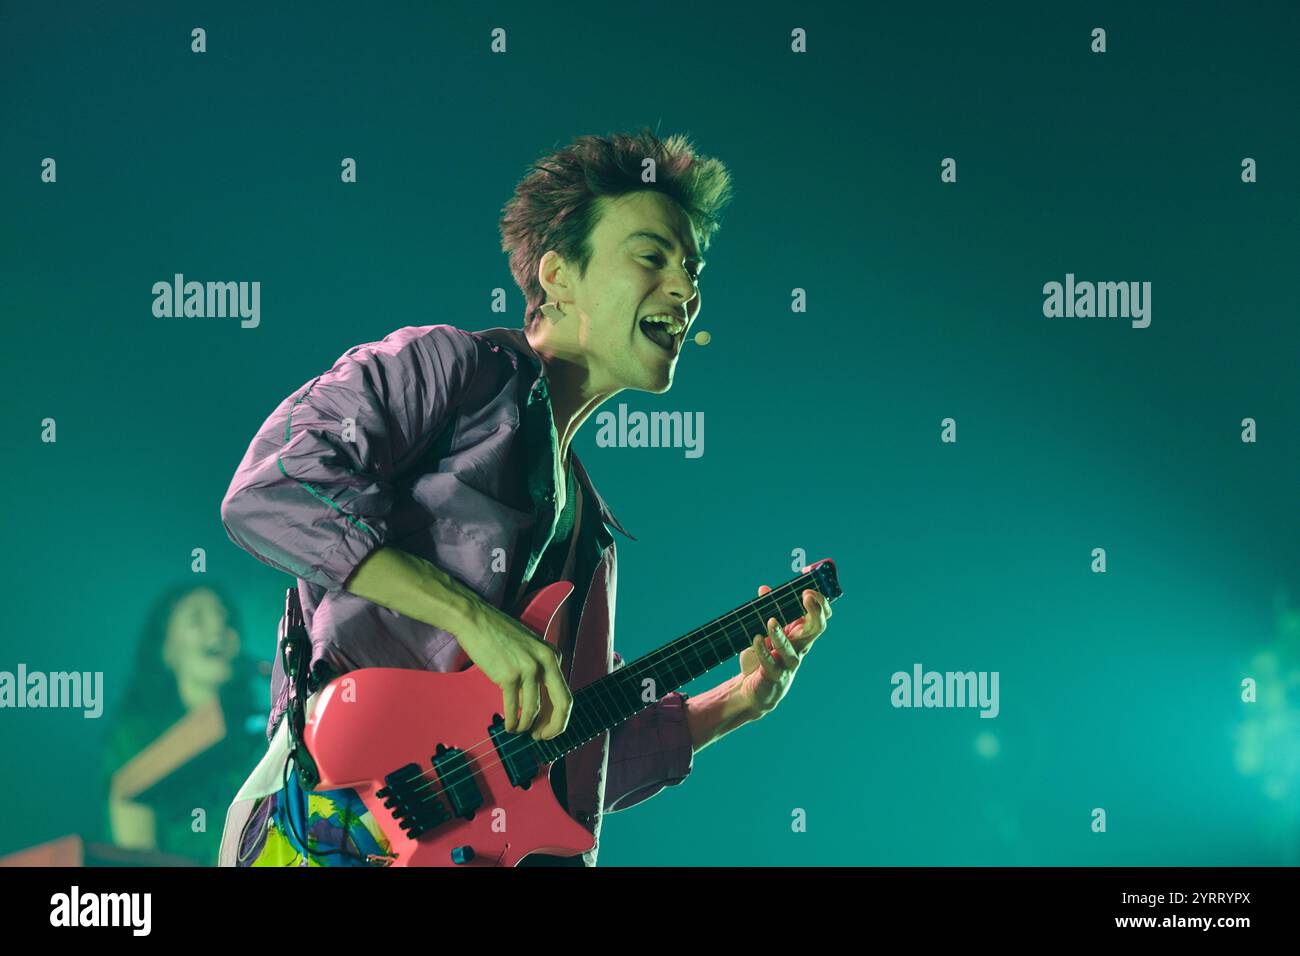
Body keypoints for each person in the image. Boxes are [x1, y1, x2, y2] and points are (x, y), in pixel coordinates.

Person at [217, 128, 833, 867]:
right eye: (652, 256)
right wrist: (475, 622)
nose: (686, 289)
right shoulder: (448, 368)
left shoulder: (591, 537)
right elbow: (273, 487)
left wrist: (736, 703)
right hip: (331, 825)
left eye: (692, 269)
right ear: (559, 275)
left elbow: (557, 762)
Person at [101, 583, 265, 865]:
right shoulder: (135, 732)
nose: (218, 628)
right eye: (196, 619)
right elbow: (136, 843)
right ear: (165, 650)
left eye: (225, 619)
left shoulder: (261, 728)